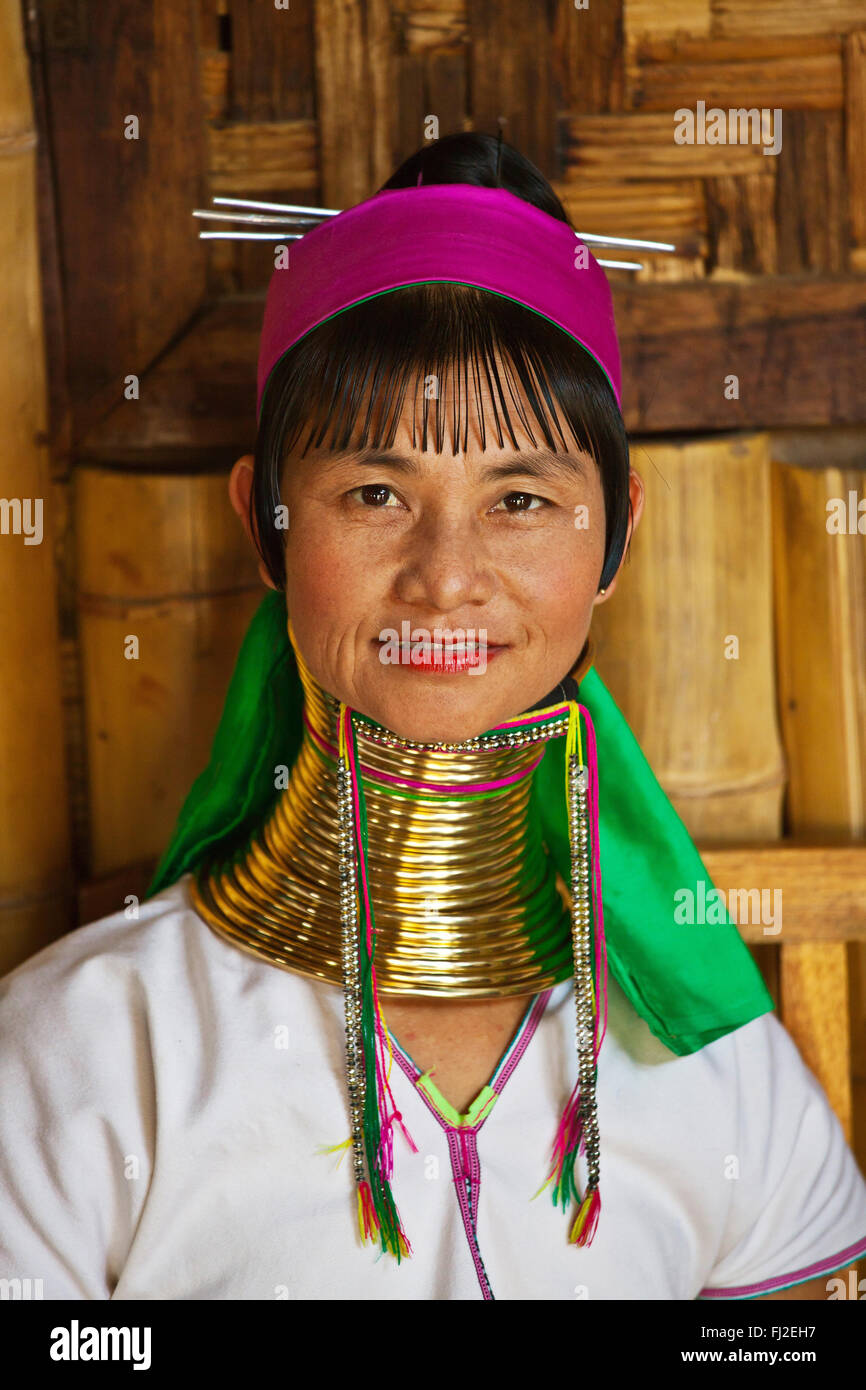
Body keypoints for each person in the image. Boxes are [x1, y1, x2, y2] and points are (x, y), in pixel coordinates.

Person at [1, 133, 865, 1301]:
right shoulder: (79, 1056)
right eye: (373, 493)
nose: (445, 576)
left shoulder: (710, 1050)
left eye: (520, 498)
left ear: (612, 532)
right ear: (266, 524)